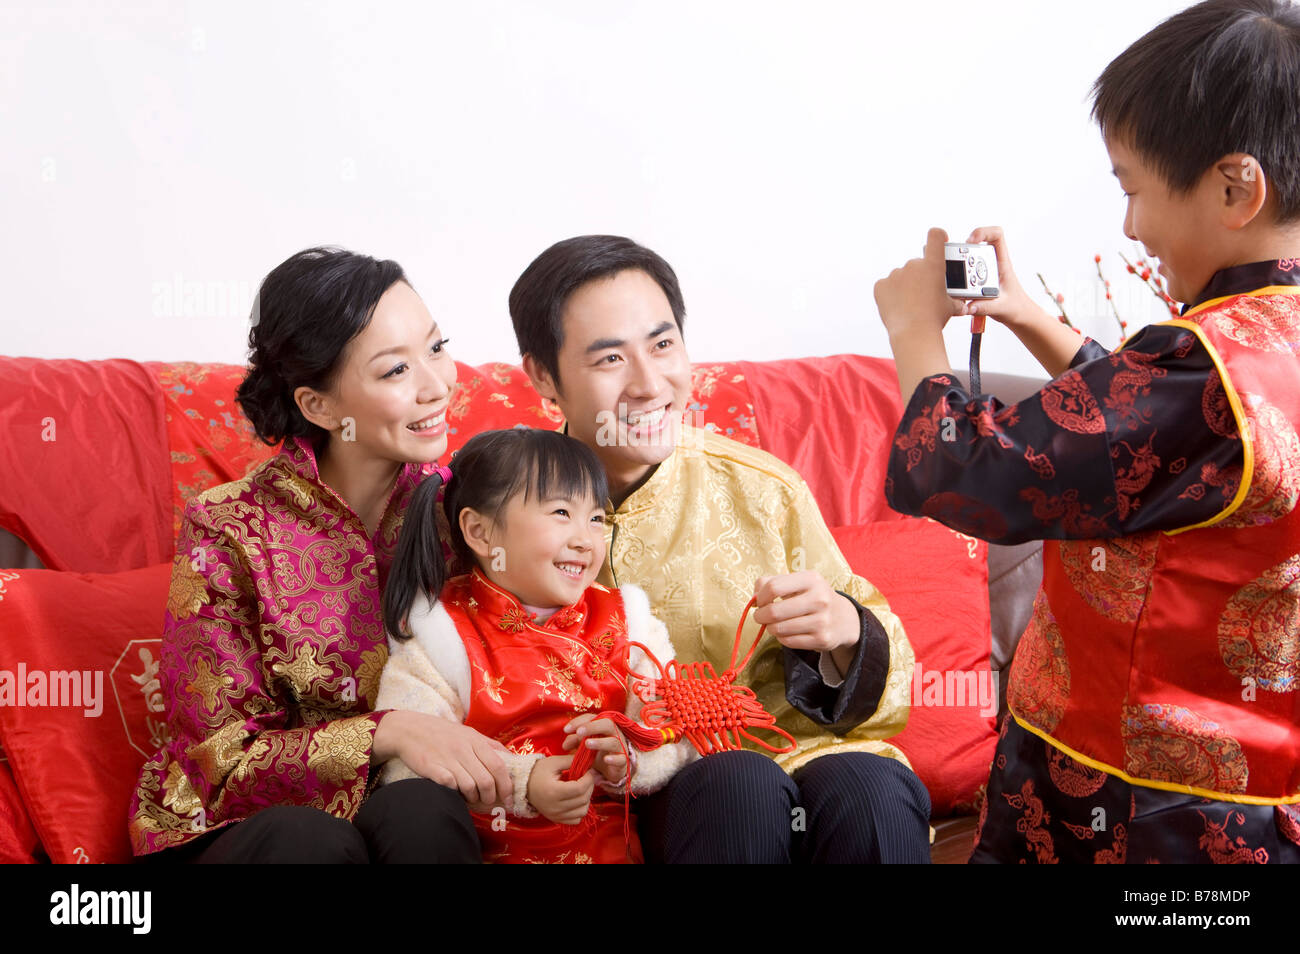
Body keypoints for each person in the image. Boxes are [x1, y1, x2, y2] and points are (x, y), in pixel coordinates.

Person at [874, 0, 1300, 863]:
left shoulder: (1206, 364)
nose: (1130, 225)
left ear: (1234, 188)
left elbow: (972, 473)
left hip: (1136, 804)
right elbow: (1164, 445)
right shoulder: (1255, 348)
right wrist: (1032, 318)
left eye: (1132, 188)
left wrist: (913, 334)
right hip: (1256, 796)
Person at [507, 235, 932, 863]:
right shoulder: (502, 508)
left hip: (801, 754)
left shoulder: (765, 490)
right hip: (633, 783)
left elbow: (888, 681)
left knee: (870, 790)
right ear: (544, 375)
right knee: (738, 784)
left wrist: (845, 631)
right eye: (610, 360)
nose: (650, 384)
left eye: (663, 344)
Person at [129, 246, 513, 863]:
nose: (436, 385)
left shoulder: (463, 514)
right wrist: (387, 732)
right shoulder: (228, 527)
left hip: (391, 802)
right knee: (307, 839)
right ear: (318, 406)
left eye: (437, 348)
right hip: (238, 830)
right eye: (395, 371)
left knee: (424, 809)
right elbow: (220, 764)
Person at [376, 428, 696, 863]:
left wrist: (631, 758)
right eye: (561, 512)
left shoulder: (630, 621)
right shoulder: (439, 630)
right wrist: (523, 782)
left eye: (596, 518)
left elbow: (681, 732)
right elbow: (407, 767)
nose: (585, 538)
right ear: (481, 532)